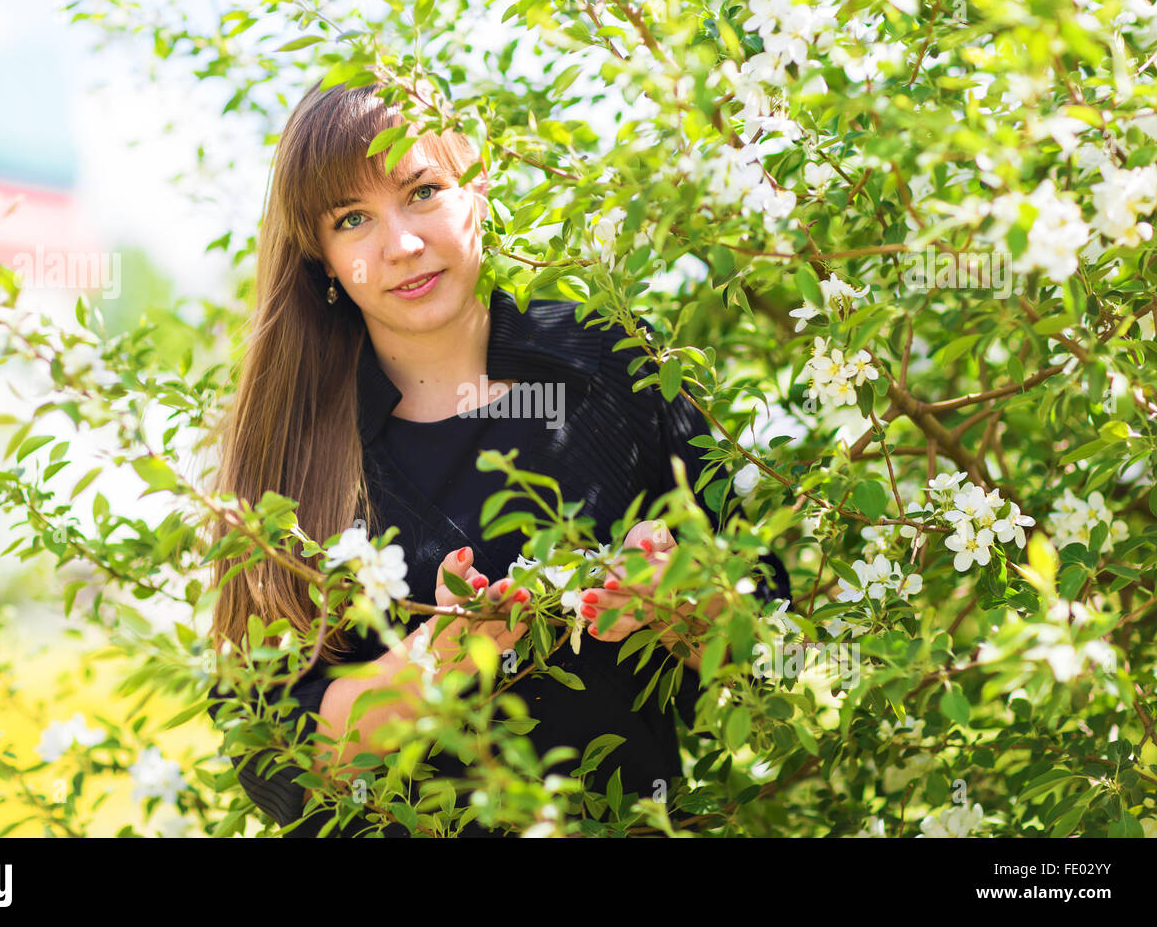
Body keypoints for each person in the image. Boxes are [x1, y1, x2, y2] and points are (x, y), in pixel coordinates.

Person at [206, 77, 790, 837]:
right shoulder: (292, 444)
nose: (402, 245)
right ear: (321, 259)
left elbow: (769, 626)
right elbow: (268, 748)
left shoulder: (611, 364)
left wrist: (676, 604)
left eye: (422, 191)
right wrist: (434, 665)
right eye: (353, 220)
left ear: (476, 185)